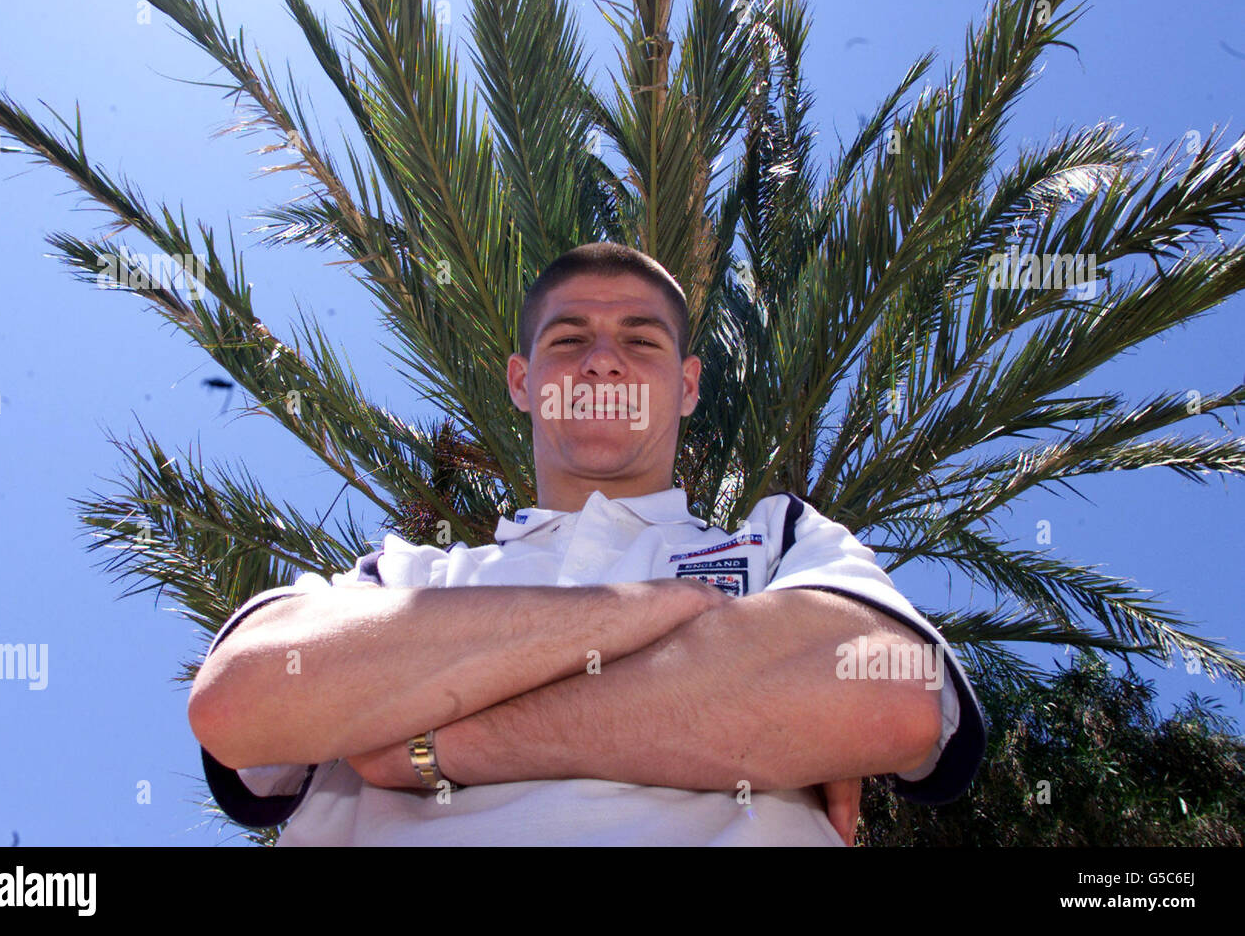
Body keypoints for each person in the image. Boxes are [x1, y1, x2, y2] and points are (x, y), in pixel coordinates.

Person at [188, 242, 986, 846]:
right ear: (522, 382)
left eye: (642, 342)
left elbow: (893, 696)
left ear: (688, 385)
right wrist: (667, 614)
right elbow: (241, 699)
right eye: (568, 340)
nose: (603, 359)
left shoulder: (779, 540)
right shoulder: (400, 570)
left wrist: (438, 740)